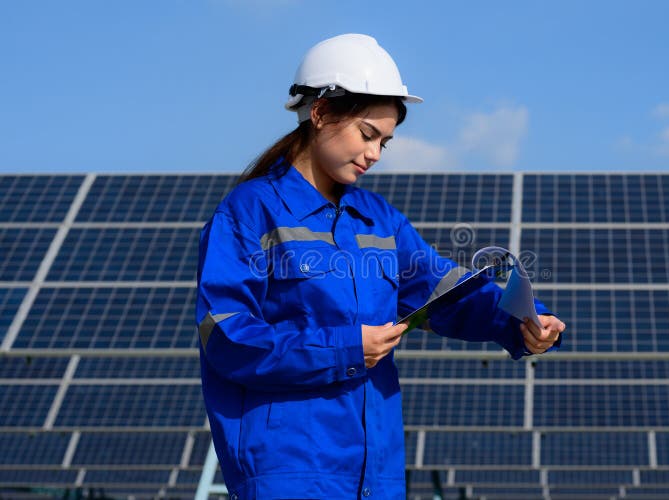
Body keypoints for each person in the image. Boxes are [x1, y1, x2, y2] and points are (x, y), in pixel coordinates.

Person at [196, 33, 565, 500]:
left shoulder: (380, 220)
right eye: (367, 135)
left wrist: (523, 323)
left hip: (378, 478)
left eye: (384, 143)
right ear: (321, 113)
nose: (374, 154)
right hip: (288, 474)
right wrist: (345, 348)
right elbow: (227, 336)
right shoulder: (248, 212)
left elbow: (445, 294)